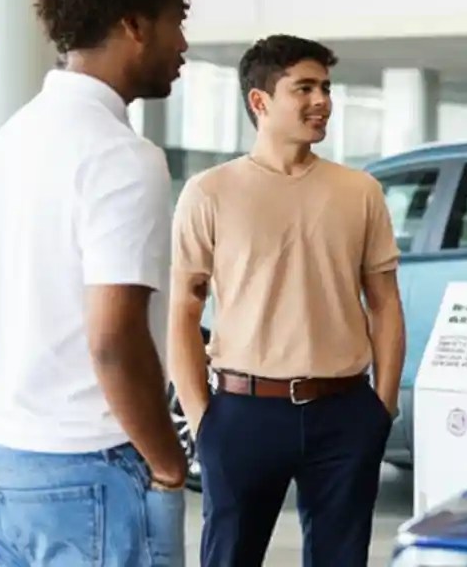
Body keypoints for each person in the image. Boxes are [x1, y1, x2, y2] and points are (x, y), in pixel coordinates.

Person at [0, 0, 190, 565]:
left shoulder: (7, 142)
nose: (184, 44)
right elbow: (114, 339)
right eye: (177, 20)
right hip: (93, 471)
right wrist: (168, 463)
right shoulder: (123, 156)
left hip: (3, 465)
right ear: (134, 24)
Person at [167, 34, 405, 567]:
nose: (322, 101)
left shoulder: (359, 190)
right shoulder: (210, 192)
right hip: (243, 412)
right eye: (304, 88)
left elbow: (385, 303)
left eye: (325, 87)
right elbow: (182, 310)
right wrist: (203, 420)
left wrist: (380, 407)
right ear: (260, 101)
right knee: (229, 558)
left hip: (345, 411)